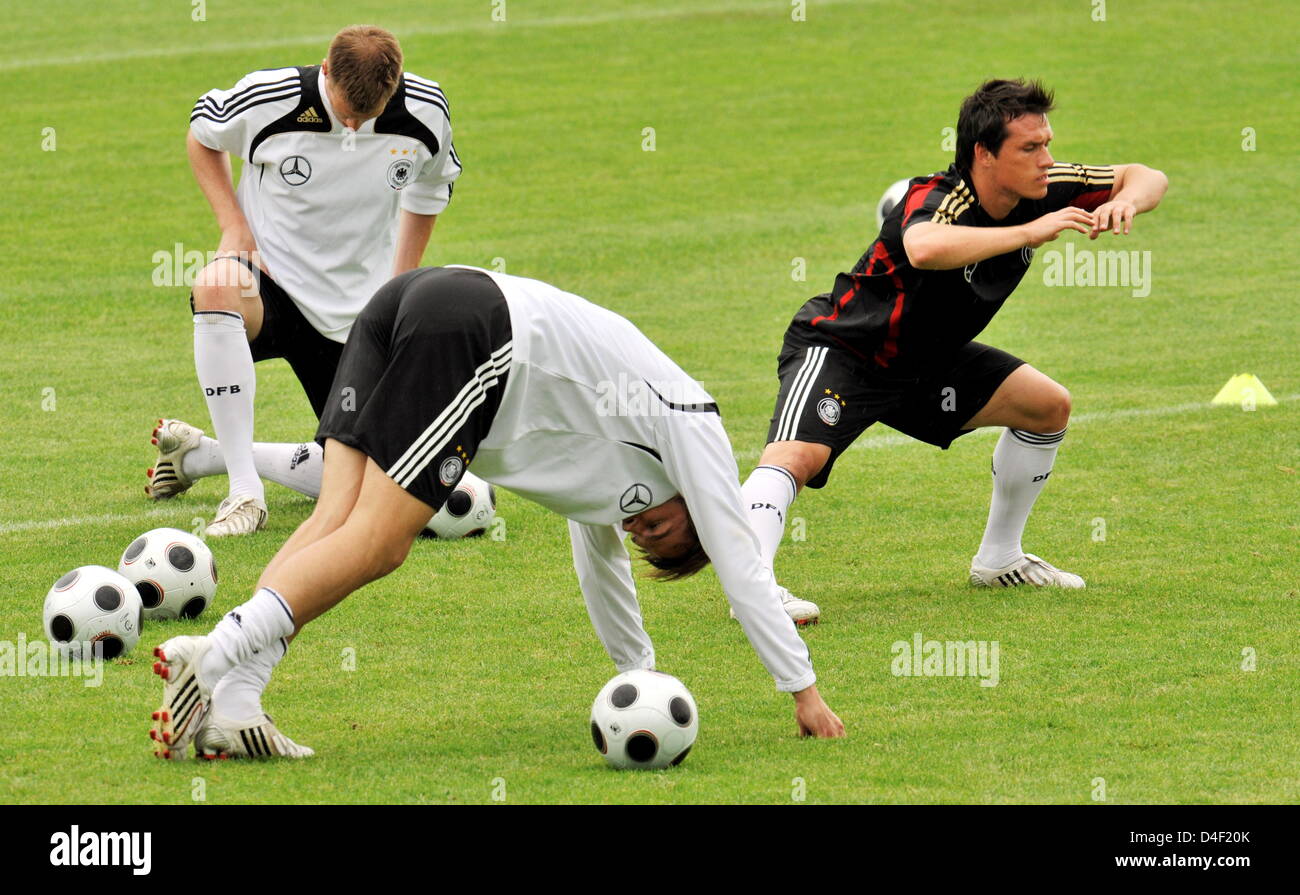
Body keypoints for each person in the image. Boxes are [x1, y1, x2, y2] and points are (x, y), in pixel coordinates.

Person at [147, 266, 846, 760]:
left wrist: (641, 671)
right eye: (658, 525)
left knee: (335, 517)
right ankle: (216, 652)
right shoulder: (695, 429)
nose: (636, 527)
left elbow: (600, 566)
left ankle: (235, 701)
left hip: (410, 304)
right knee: (382, 541)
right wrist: (803, 691)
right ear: (698, 500)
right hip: (476, 334)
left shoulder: (609, 476)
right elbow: (743, 565)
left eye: (643, 535)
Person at [740, 79, 1168, 623]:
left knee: (1047, 406)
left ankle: (999, 559)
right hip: (848, 348)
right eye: (1030, 149)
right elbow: (925, 248)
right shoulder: (939, 198)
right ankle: (752, 587)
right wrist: (1030, 233)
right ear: (983, 155)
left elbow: (1146, 176)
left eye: (1048, 144)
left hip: (926, 363)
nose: (1047, 160)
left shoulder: (1043, 187)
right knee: (797, 458)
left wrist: (1125, 202)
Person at [149, 24, 462, 538]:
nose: (353, 124)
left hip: (357, 319)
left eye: (367, 115)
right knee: (216, 283)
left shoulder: (425, 112)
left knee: (375, 485)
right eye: (343, 112)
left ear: (395, 86)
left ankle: (203, 456)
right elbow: (202, 133)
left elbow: (432, 188)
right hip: (270, 288)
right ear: (324, 71)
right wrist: (233, 222)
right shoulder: (270, 98)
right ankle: (245, 493)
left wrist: (400, 285)